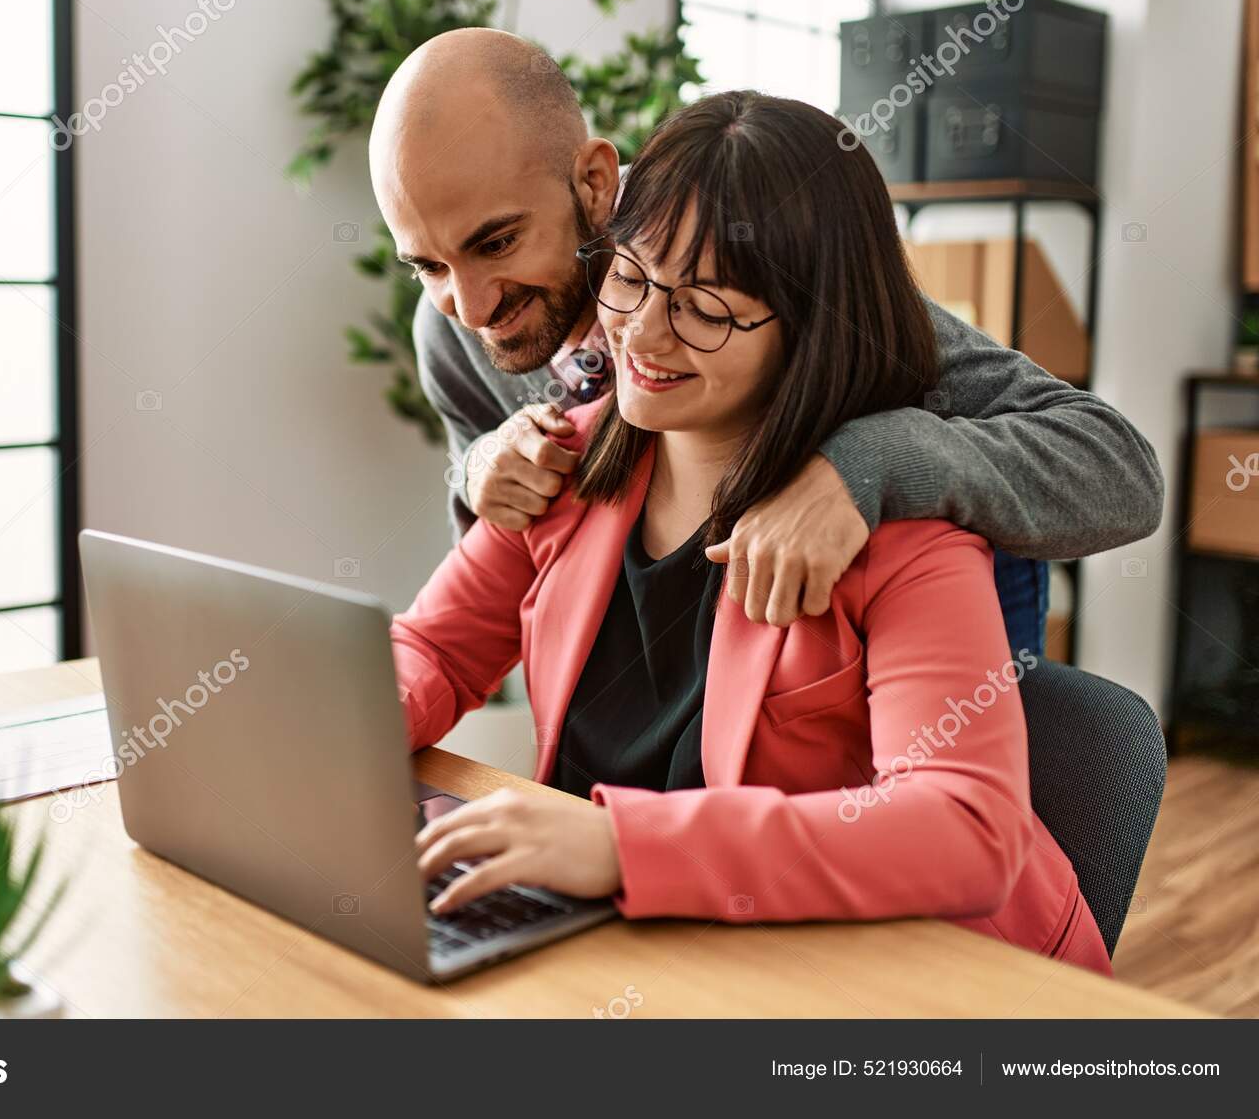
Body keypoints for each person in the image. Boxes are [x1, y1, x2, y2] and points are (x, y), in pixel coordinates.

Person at [386, 89, 1112, 973]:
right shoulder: (566, 459)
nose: (643, 334)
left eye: (707, 306)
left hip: (914, 986)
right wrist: (338, 722)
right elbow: (435, 648)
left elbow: (964, 828)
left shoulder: (898, 525)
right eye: (628, 277)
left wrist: (622, 846)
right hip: (665, 952)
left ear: (809, 322)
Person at [368, 29, 1163, 658]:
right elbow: (494, 565)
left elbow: (1118, 469)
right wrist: (477, 472)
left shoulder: (747, 240)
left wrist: (871, 460)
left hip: (917, 601)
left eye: (498, 243)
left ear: (595, 183)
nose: (469, 306)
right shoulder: (452, 333)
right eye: (428, 265)